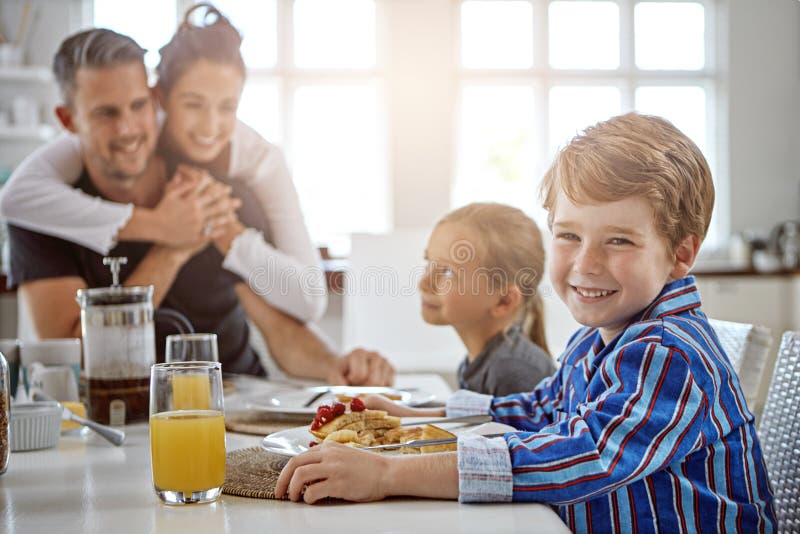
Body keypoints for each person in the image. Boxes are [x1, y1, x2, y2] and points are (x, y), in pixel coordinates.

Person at [276, 113, 777, 532]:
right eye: (568, 235)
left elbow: (583, 455)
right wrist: (411, 413)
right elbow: (539, 409)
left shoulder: (668, 352)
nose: (585, 264)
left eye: (619, 240)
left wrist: (388, 473)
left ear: (680, 253)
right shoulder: (598, 339)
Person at [5, 27, 393, 386]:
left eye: (138, 106)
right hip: (118, 413)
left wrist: (338, 365)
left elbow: (281, 329)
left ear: (155, 101)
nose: (128, 129)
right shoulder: (45, 214)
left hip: (232, 402)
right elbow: (74, 358)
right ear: (67, 119)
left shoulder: (212, 188)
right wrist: (170, 249)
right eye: (106, 113)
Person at [0, 3, 325, 324]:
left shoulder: (259, 161)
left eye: (228, 106)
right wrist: (164, 225)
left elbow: (310, 300)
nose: (210, 128)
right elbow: (16, 197)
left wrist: (229, 233)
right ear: (162, 97)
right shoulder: (126, 131)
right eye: (193, 104)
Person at [421, 203, 554, 395]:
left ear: (504, 301)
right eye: (428, 262)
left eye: (448, 272)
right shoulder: (481, 362)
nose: (424, 283)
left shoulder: (512, 373)